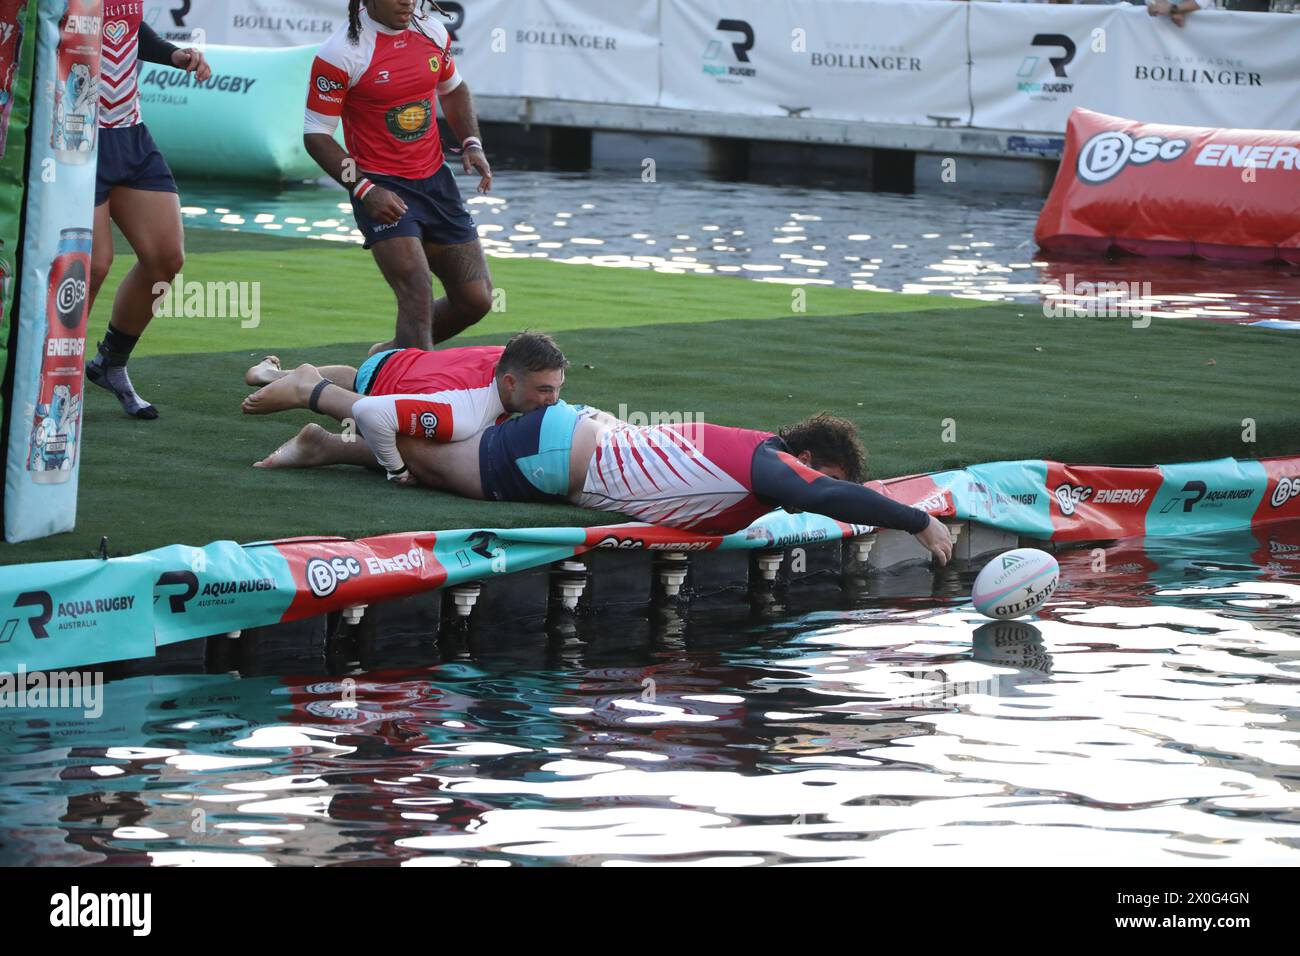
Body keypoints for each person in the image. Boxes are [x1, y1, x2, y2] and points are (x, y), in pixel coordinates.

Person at [254, 397, 954, 564]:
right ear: (803, 456)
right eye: (822, 475)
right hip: (555, 455)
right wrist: (918, 518)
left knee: (432, 459)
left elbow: (825, 494)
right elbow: (822, 495)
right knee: (418, 456)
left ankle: (329, 447)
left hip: (568, 444)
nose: (817, 493)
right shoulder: (769, 464)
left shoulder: (757, 473)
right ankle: (322, 393)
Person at [304, 0, 493, 351]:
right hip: (381, 186)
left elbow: (452, 89)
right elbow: (316, 135)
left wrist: (471, 143)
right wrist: (364, 189)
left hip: (436, 181)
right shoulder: (341, 52)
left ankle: (387, 357)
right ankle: (415, 382)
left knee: (476, 299)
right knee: (417, 293)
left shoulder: (431, 30)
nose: (407, 1)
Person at [84, 12, 211, 419]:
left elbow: (127, 24)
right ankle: (45, 376)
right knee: (90, 264)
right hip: (74, 134)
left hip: (129, 132)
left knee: (165, 258)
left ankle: (110, 362)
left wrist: (172, 54)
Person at [241, 331, 568, 480]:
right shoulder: (464, 414)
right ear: (510, 382)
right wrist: (396, 470)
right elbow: (370, 413)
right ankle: (309, 394)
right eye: (544, 390)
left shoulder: (514, 357)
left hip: (395, 361)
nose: (553, 400)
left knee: (357, 376)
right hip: (385, 387)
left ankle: (273, 374)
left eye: (556, 389)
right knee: (454, 452)